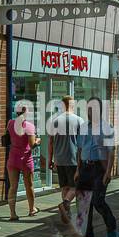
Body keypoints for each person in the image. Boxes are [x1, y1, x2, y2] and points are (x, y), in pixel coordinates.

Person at [76, 97, 119, 237]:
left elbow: (111, 152)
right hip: (85, 167)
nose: (91, 112)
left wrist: (108, 173)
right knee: (84, 204)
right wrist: (78, 170)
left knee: (97, 201)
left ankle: (112, 228)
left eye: (94, 109)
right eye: (89, 109)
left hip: (99, 169)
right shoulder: (83, 127)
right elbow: (79, 149)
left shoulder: (107, 128)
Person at [47, 95, 84, 224]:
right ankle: (66, 203)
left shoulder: (54, 121)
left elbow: (50, 142)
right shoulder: (79, 120)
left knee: (65, 187)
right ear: (73, 105)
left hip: (59, 159)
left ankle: (66, 213)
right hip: (73, 159)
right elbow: (82, 144)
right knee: (75, 186)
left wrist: (50, 159)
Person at [6, 103, 40, 221]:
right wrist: (38, 140)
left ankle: (12, 213)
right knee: (29, 185)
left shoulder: (10, 123)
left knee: (13, 187)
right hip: (25, 160)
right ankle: (32, 209)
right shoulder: (29, 126)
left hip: (12, 159)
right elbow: (32, 145)